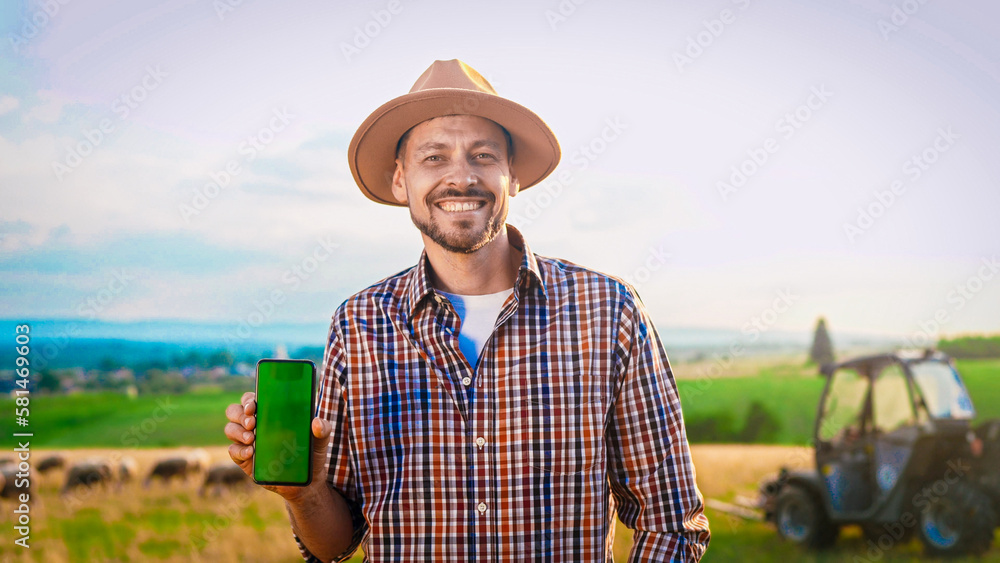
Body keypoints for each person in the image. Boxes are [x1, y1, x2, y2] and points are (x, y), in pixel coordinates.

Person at [225, 59, 710, 562]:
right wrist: (304, 494)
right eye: (434, 158)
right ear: (400, 180)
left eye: (482, 154)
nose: (461, 176)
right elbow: (334, 546)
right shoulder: (358, 325)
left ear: (512, 176)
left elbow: (671, 523)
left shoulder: (608, 313)